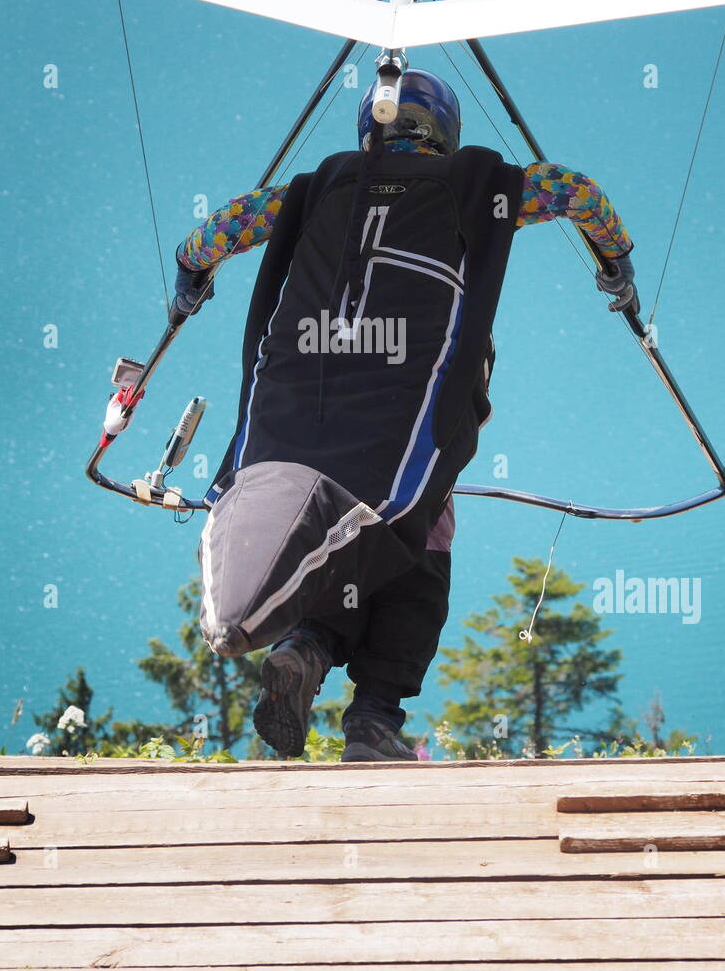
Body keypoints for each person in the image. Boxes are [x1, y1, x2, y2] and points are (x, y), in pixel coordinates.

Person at [172, 70, 636, 760]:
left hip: (296, 413)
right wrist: (615, 265)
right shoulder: (475, 185)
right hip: (402, 417)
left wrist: (190, 277)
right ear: (445, 131)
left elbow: (216, 232)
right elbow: (580, 192)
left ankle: (309, 645)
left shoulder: (316, 189)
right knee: (417, 534)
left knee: (337, 524)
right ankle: (375, 717)